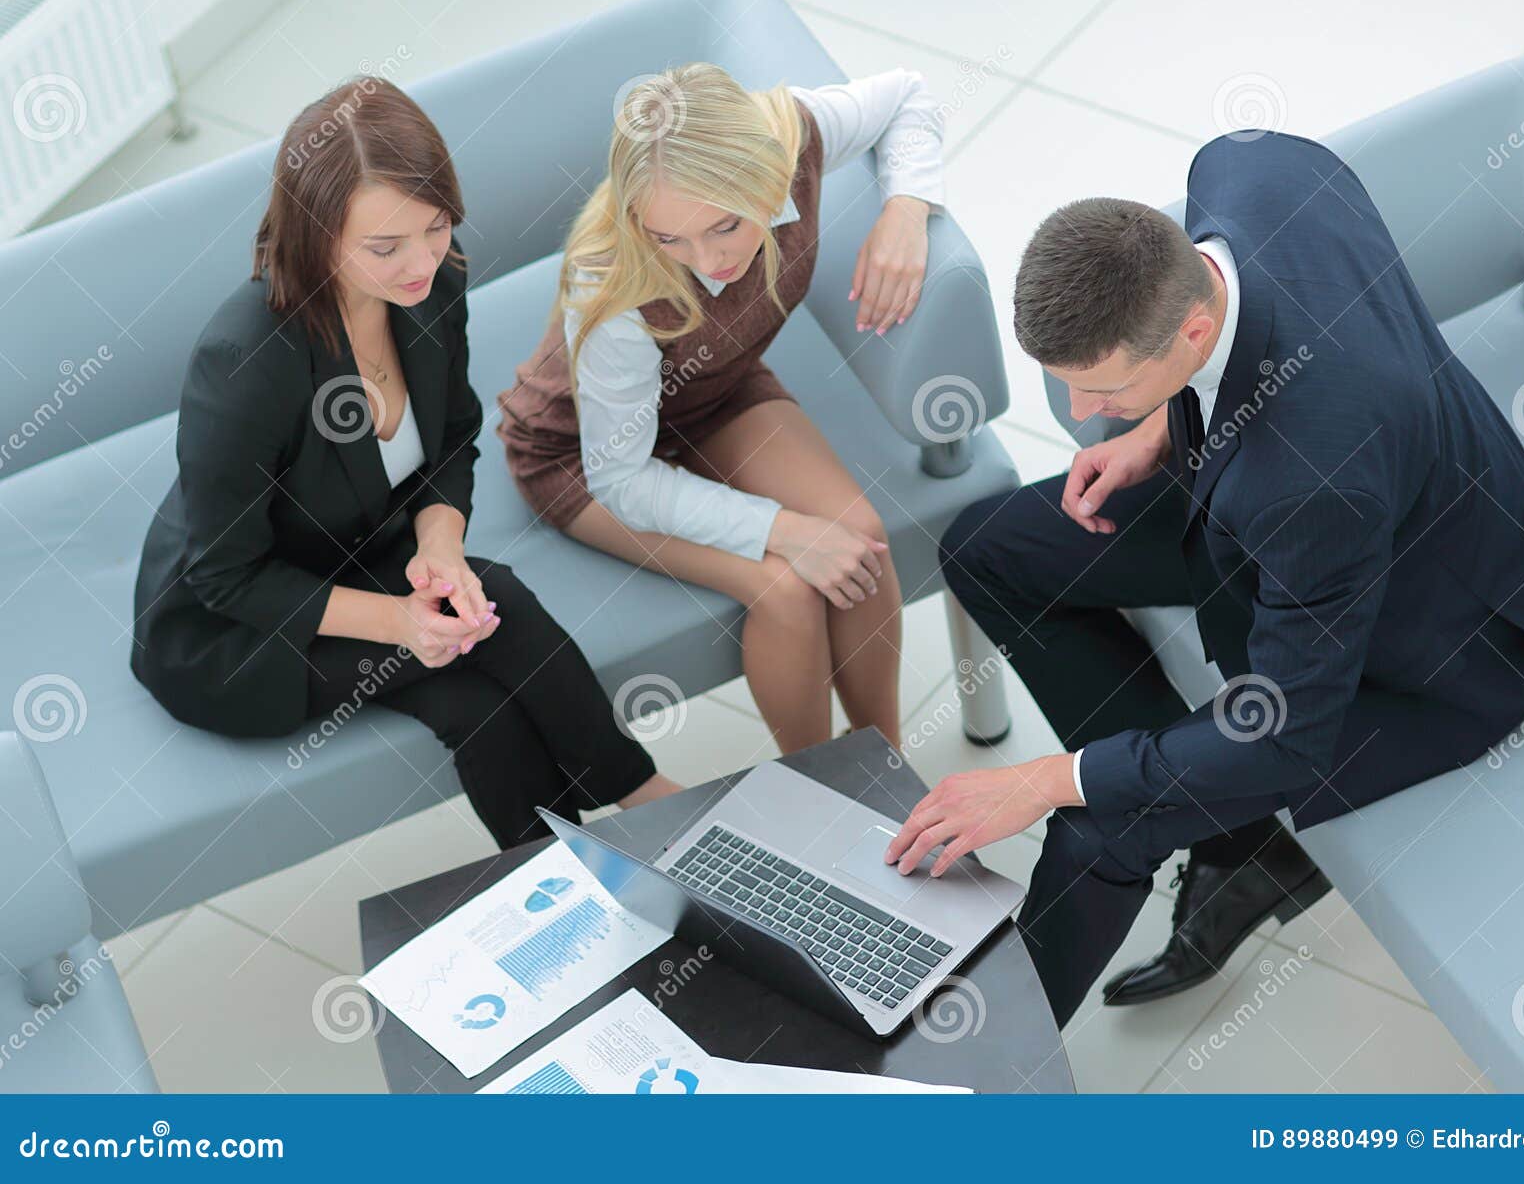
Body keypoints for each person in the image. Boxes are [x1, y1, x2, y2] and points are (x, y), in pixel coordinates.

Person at [885, 130, 1524, 1027]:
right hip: (1288, 505)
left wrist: (1048, 778)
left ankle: (966, 1091)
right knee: (989, 546)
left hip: (1440, 644)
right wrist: (1165, 421)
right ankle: (1230, 834)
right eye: (1066, 388)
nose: (1081, 418)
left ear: (1193, 328)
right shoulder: (1246, 167)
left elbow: (1287, 736)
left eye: (1103, 392)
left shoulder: (1316, 474)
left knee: (1096, 823)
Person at [131, 77, 678, 851]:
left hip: (361, 549)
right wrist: (399, 621)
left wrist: (440, 546)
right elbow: (227, 577)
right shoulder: (245, 359)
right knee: (500, 609)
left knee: (472, 702)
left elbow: (451, 435)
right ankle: (646, 801)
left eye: (434, 225)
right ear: (315, 237)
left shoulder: (434, 279)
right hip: (235, 628)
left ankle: (563, 878)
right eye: (384, 247)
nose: (420, 260)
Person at [497, 63, 949, 754]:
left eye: (724, 226)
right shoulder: (608, 285)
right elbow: (620, 477)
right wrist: (785, 530)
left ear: (766, 171)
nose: (704, 261)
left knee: (862, 544)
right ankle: (825, 789)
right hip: (585, 461)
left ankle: (882, 765)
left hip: (714, 389)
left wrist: (907, 209)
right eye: (667, 238)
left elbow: (911, 93)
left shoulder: (792, 132)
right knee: (786, 589)